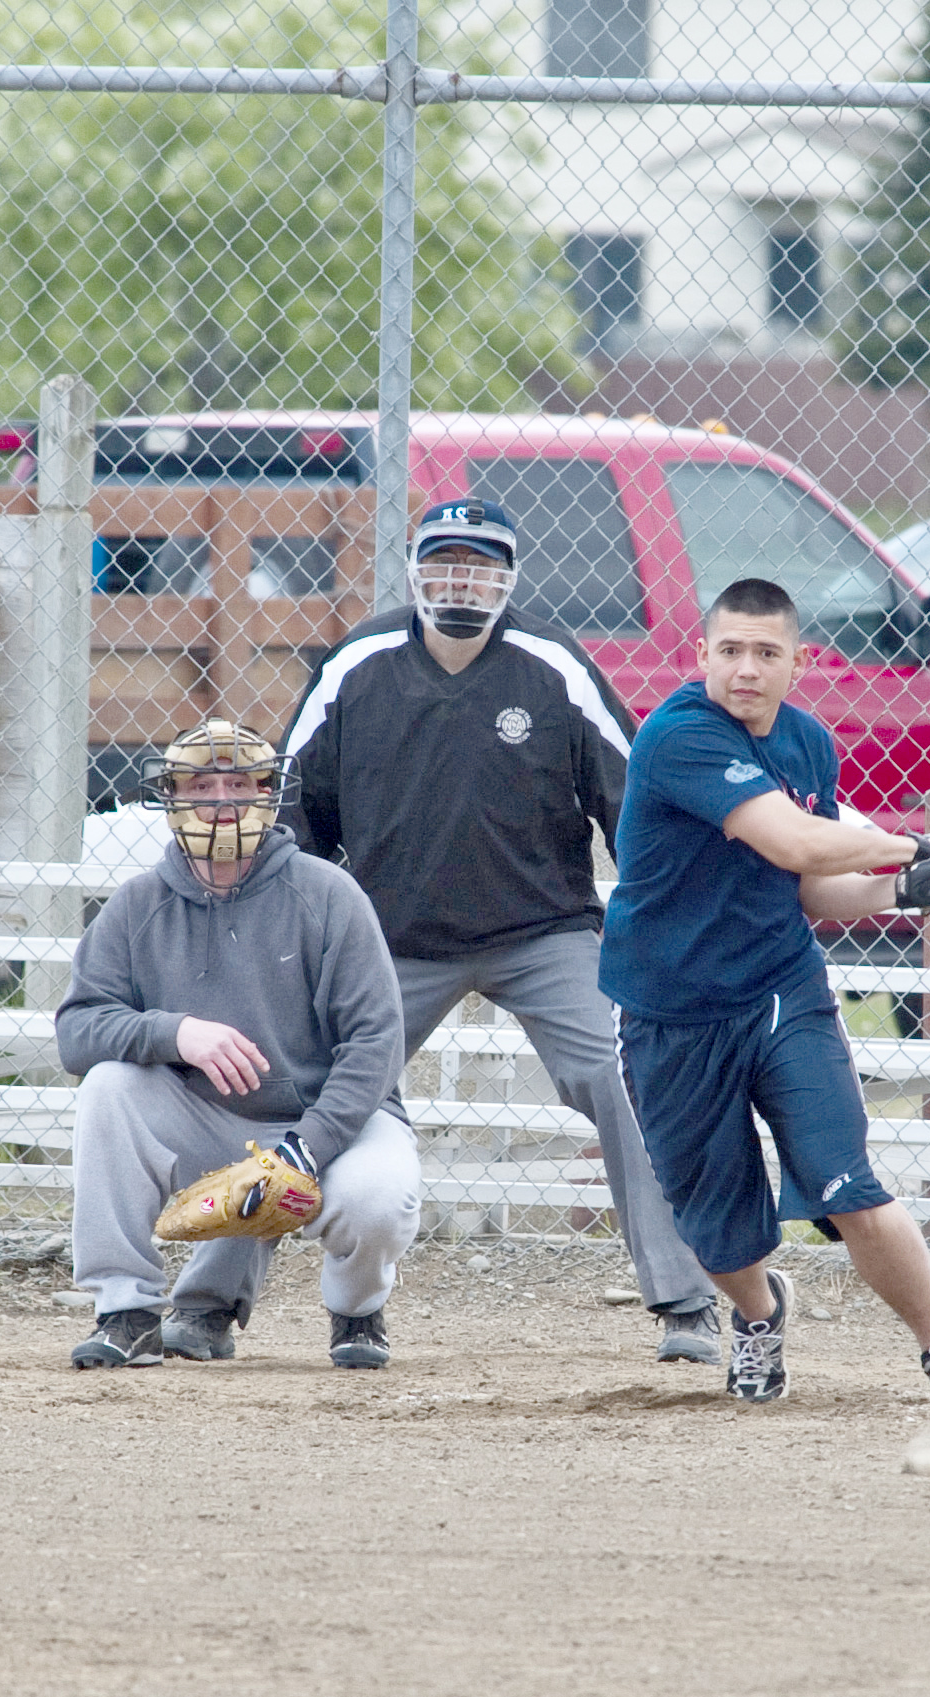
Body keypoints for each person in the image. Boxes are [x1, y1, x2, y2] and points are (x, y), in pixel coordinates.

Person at [283, 499, 721, 1364]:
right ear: (413, 571)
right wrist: (306, 940)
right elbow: (291, 812)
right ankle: (214, 1301)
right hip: (389, 939)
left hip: (541, 931)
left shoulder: (550, 664)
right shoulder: (358, 664)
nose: (461, 582)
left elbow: (634, 806)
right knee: (301, 1084)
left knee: (626, 1073)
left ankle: (685, 1300)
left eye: (480, 567)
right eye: (444, 564)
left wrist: (665, 929)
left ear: (509, 577)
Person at [598, 576, 930, 1411]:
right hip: (669, 1010)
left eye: (766, 653)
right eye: (730, 650)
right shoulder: (677, 736)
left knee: (845, 1180)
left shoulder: (809, 742)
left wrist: (902, 891)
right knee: (713, 1225)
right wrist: (906, 844)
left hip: (779, 990)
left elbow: (810, 890)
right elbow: (789, 840)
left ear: (798, 662)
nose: (746, 668)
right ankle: (758, 1311)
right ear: (700, 654)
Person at [58, 718, 422, 1370]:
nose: (221, 800)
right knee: (107, 1087)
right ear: (170, 796)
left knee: (379, 1195)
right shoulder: (137, 905)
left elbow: (374, 1041)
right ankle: (126, 1310)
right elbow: (76, 1030)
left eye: (239, 783)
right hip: (207, 1123)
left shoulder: (326, 893)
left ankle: (356, 1311)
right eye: (201, 784)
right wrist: (171, 1031)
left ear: (268, 793)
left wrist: (306, 1146)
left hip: (325, 1126)